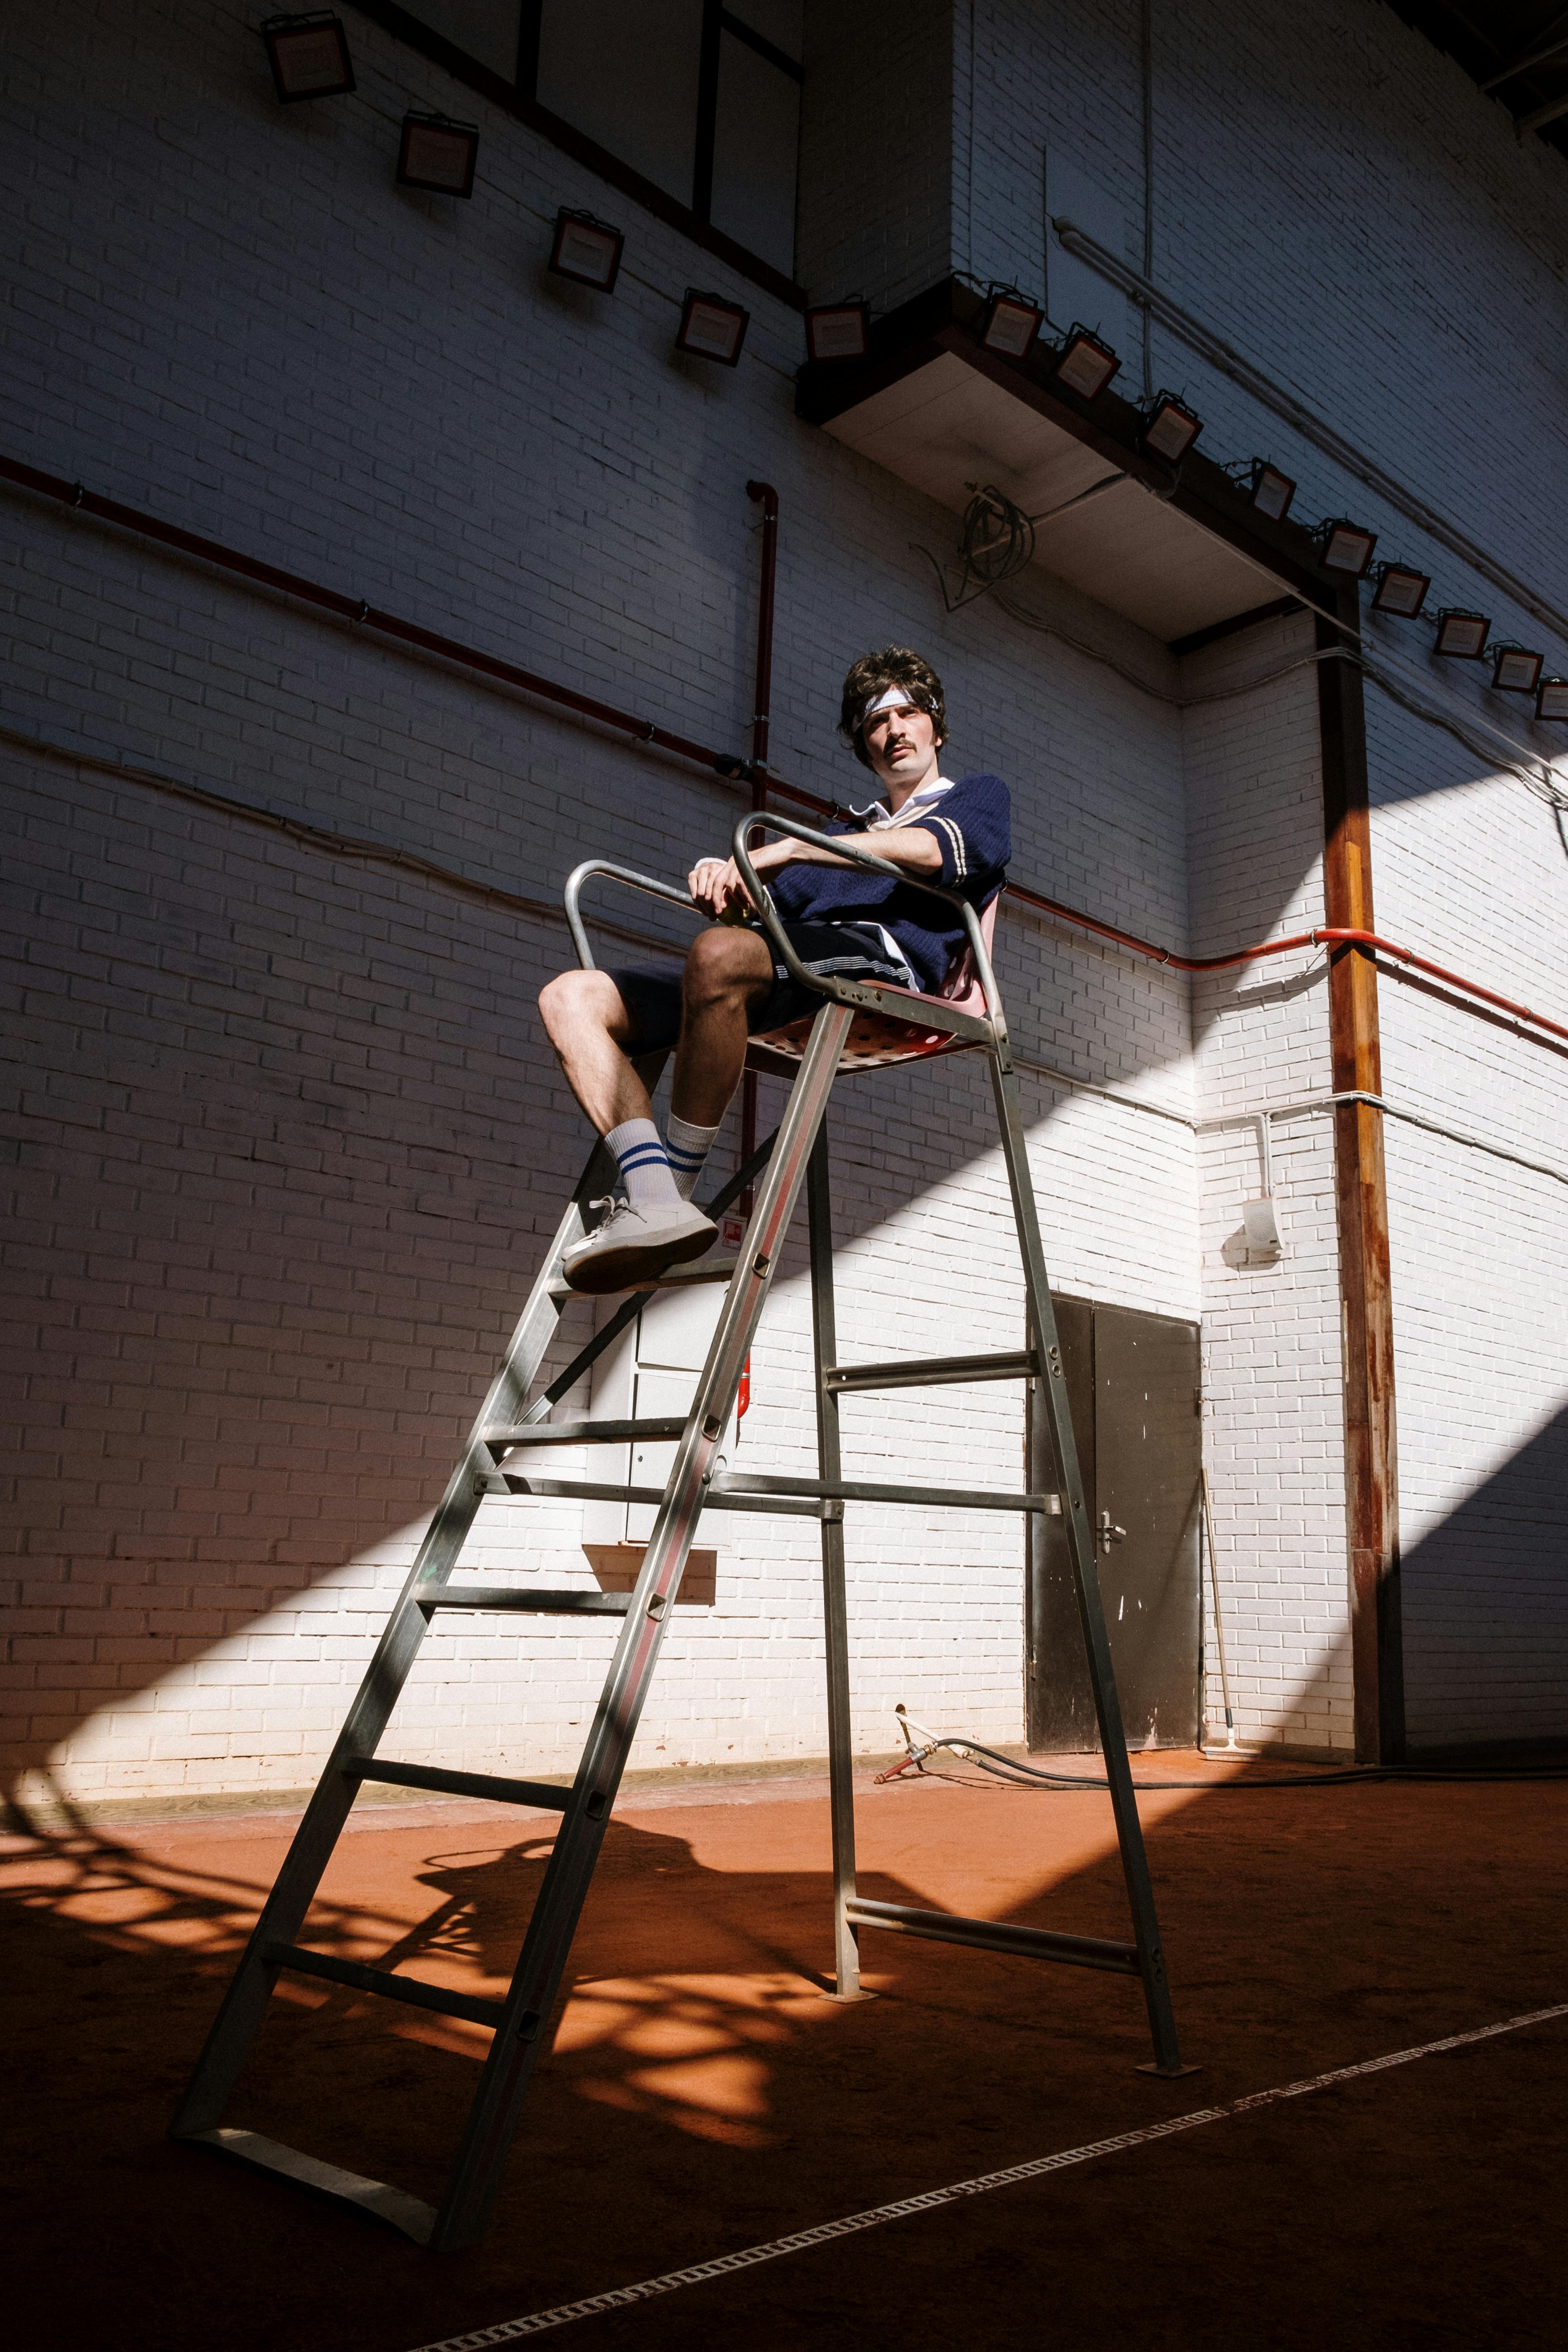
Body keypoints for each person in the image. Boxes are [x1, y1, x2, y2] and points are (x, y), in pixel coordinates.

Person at [538, 645, 1011, 1293]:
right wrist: (725, 881)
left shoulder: (974, 797)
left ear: (936, 727)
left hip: (885, 961)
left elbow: (933, 850)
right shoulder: (841, 832)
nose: (895, 730)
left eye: (908, 713)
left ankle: (673, 1188)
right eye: (878, 722)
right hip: (789, 963)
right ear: (865, 745)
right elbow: (758, 918)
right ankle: (655, 1197)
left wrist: (785, 848)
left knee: (717, 954)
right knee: (571, 998)